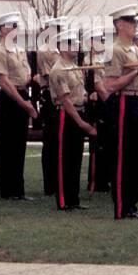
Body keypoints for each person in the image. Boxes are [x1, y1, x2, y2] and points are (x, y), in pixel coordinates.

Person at [104, 4, 138, 219]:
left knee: (136, 157)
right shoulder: (114, 50)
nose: (135, 26)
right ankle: (122, 207)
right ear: (119, 24)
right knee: (123, 156)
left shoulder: (137, 50)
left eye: (136, 22)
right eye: (131, 21)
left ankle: (132, 205)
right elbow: (111, 85)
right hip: (124, 102)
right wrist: (136, 72)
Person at [48, 30, 98, 210]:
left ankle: (73, 199)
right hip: (65, 115)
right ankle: (63, 200)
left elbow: (76, 95)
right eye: (70, 44)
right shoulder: (59, 69)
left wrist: (87, 98)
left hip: (77, 111)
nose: (75, 47)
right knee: (64, 159)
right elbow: (65, 100)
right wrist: (82, 123)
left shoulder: (74, 67)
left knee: (75, 159)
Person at [0, 12, 37, 200]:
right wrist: (23, 103)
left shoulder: (19, 50)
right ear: (2, 29)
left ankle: (18, 189)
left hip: (22, 94)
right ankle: (8, 190)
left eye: (16, 26)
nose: (14, 30)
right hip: (10, 99)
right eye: (11, 26)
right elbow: (4, 81)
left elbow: (26, 74)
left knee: (19, 145)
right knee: (8, 145)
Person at [36, 16, 67, 198]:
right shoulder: (46, 51)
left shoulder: (57, 50)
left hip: (60, 95)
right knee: (51, 143)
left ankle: (58, 180)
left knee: (59, 142)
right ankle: (50, 184)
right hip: (50, 96)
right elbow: (52, 77)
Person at [83, 26, 110, 192]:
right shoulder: (89, 62)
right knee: (97, 144)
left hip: (103, 103)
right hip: (97, 104)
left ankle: (103, 179)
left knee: (105, 143)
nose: (102, 43)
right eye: (99, 39)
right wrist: (111, 103)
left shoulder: (101, 60)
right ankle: (95, 182)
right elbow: (99, 87)